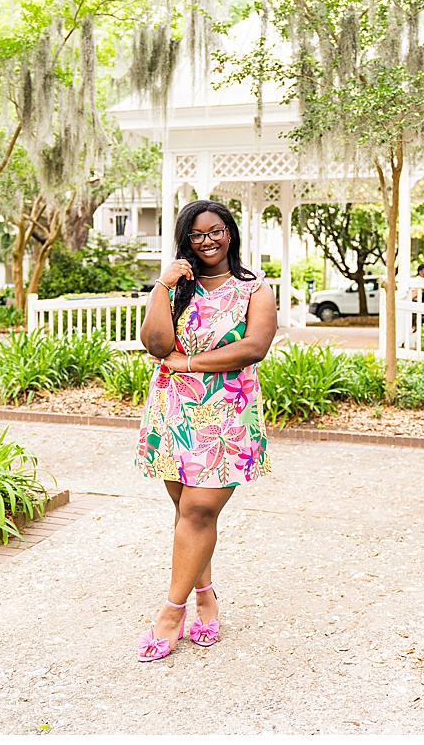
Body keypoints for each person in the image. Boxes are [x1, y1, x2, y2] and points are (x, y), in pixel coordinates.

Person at [133, 199, 278, 662]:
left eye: (216, 231)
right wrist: (163, 285)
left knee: (197, 511)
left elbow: (254, 348)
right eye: (197, 235)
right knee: (187, 513)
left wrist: (189, 362)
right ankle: (205, 595)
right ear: (186, 241)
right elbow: (156, 344)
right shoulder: (179, 288)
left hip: (227, 415)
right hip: (173, 410)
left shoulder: (254, 289)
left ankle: (170, 614)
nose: (208, 241)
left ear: (230, 233)